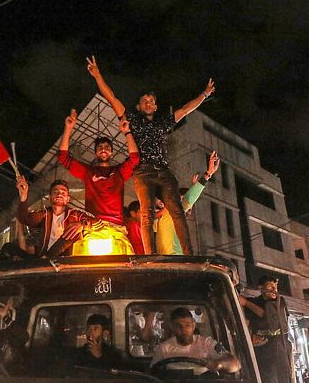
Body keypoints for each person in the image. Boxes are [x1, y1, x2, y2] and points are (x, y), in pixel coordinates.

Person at [87, 55, 215, 255]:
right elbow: (112, 98)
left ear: (155, 106)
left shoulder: (163, 122)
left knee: (177, 211)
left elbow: (185, 109)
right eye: (144, 100)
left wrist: (205, 94)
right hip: (143, 171)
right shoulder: (133, 120)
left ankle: (188, 254)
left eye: (152, 101)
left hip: (163, 170)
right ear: (139, 106)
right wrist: (97, 76)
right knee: (146, 213)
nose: (148, 102)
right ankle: (150, 255)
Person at [58, 110, 140, 227]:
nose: (103, 149)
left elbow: (135, 159)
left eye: (107, 147)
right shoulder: (88, 172)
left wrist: (127, 132)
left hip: (115, 225)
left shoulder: (119, 172)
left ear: (111, 152)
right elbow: (63, 157)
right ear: (96, 153)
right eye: (100, 147)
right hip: (93, 224)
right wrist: (68, 128)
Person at [238, 276, 292, 383]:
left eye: (275, 286)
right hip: (258, 348)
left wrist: (246, 303)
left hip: (276, 350)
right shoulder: (254, 301)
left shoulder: (279, 302)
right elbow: (245, 320)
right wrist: (251, 336)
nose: (273, 289)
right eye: (269, 286)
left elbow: (268, 317)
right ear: (261, 288)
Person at [154, 151, 220, 255]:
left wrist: (208, 174)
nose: (189, 208)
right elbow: (189, 199)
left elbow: (190, 199)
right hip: (165, 263)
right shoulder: (164, 216)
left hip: (175, 261)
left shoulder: (173, 214)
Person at [13, 177, 92, 257]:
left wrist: (82, 224)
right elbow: (24, 218)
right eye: (55, 192)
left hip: (66, 260)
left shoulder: (76, 214)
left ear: (68, 199)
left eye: (63, 193)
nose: (59, 194)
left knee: (73, 230)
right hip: (44, 259)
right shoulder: (45, 214)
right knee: (8, 248)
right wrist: (23, 196)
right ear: (50, 198)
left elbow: (96, 222)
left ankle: (47, 257)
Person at [151, 307, 240, 373]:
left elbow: (235, 365)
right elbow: (153, 373)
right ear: (172, 327)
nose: (183, 330)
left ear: (193, 325)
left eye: (187, 325)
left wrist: (219, 364)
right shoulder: (163, 348)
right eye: (179, 326)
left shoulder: (206, 343)